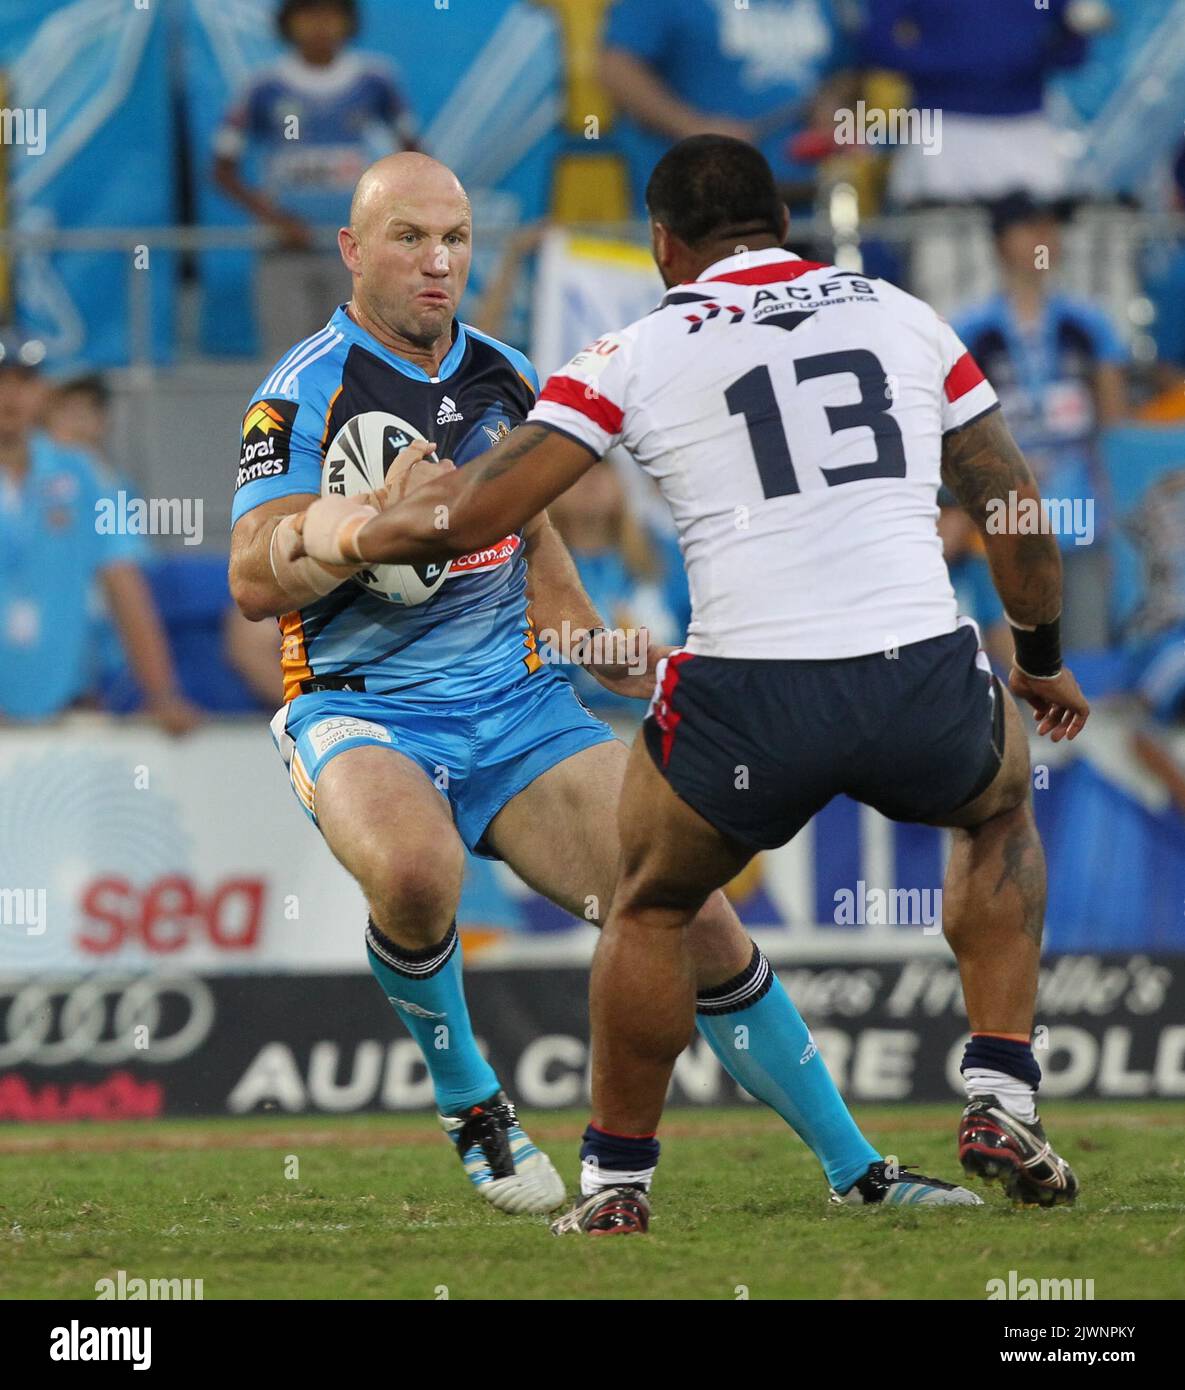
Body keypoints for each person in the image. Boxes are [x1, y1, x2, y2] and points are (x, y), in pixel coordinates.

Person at [299, 137, 1093, 1235]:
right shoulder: (906, 313)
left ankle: (619, 1183)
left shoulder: (634, 347)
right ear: (781, 222)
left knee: (658, 905)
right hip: (919, 667)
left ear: (664, 245)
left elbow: (481, 513)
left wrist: (374, 521)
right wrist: (1041, 660)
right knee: (999, 805)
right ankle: (1002, 1088)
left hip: (748, 689)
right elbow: (1013, 508)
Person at [954, 191, 1127, 650]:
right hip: (1007, 526)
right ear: (999, 243)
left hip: (1083, 521)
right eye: (1030, 228)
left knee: (1089, 665)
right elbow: (956, 440)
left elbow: (1117, 432)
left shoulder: (1090, 324)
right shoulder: (969, 331)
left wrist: (1119, 521)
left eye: (1052, 228)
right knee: (1022, 678)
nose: (1045, 239)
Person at [0, 347, 199, 733]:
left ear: (41, 393)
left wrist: (161, 694)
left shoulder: (83, 474)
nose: (9, 396)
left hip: (67, 707)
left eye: (22, 383)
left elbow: (124, 584)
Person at [213, 0, 417, 356]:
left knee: (357, 360)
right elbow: (222, 169)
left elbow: (415, 158)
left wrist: (383, 219)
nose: (320, 25)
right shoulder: (264, 87)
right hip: (284, 253)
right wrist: (276, 220)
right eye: (308, 15)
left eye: (331, 14)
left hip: (356, 253)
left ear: (347, 21)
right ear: (288, 23)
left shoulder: (375, 81)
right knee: (288, 363)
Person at [598, 0, 856, 211]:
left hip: (804, 200)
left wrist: (829, 107)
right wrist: (693, 127)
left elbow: (842, 73)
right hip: (698, 206)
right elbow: (617, 68)